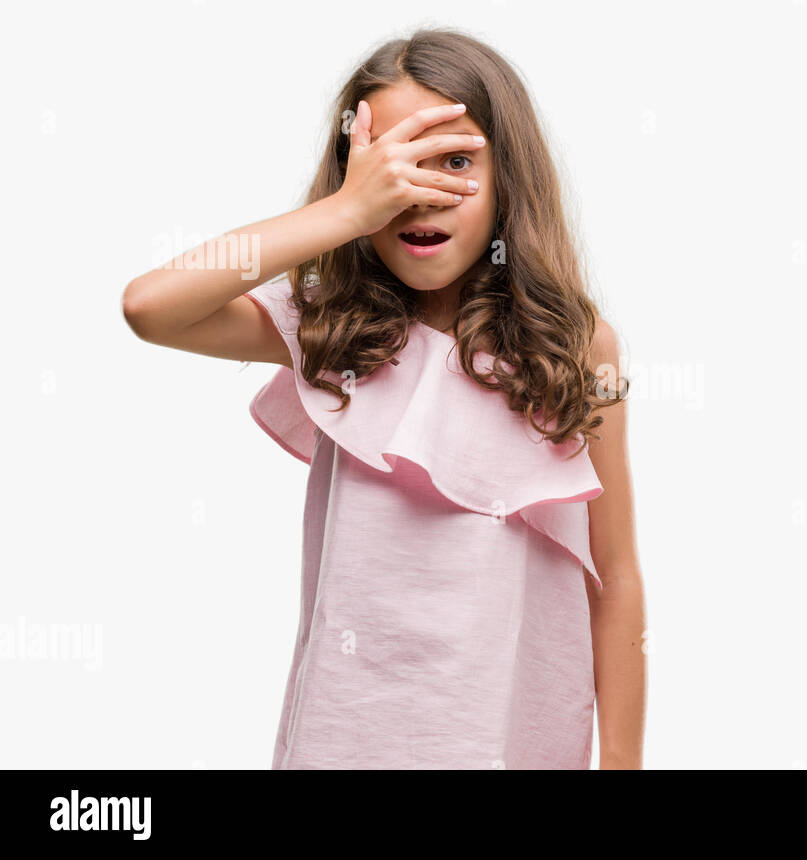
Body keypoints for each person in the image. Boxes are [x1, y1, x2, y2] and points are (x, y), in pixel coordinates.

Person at [122, 27, 647, 770]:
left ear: (509, 179)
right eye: (391, 168)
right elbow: (151, 306)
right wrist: (341, 213)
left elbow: (616, 574)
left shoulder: (580, 346)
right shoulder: (330, 323)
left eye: (456, 162)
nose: (419, 194)